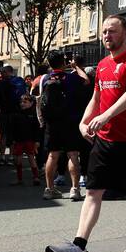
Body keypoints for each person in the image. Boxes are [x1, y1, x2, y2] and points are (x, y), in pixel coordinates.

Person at [45, 15, 126, 252]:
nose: (107, 35)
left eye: (112, 31)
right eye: (104, 31)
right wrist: (84, 121)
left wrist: (105, 116)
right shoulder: (103, 64)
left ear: (125, 33)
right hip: (105, 140)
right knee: (93, 191)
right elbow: (96, 98)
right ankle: (79, 247)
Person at [38, 51, 90, 202]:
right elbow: (86, 80)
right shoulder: (72, 77)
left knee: (52, 155)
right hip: (70, 121)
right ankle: (75, 189)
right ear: (63, 62)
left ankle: (49, 189)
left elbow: (41, 99)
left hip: (53, 123)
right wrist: (75, 66)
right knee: (73, 154)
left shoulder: (45, 78)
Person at [7, 93, 42, 185]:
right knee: (18, 160)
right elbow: (12, 128)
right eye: (21, 102)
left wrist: (37, 140)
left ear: (31, 103)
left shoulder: (33, 115)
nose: (22, 104)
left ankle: (36, 177)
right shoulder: (16, 114)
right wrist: (11, 140)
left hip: (30, 140)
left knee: (31, 158)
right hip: (18, 140)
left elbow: (36, 129)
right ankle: (19, 179)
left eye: (25, 102)